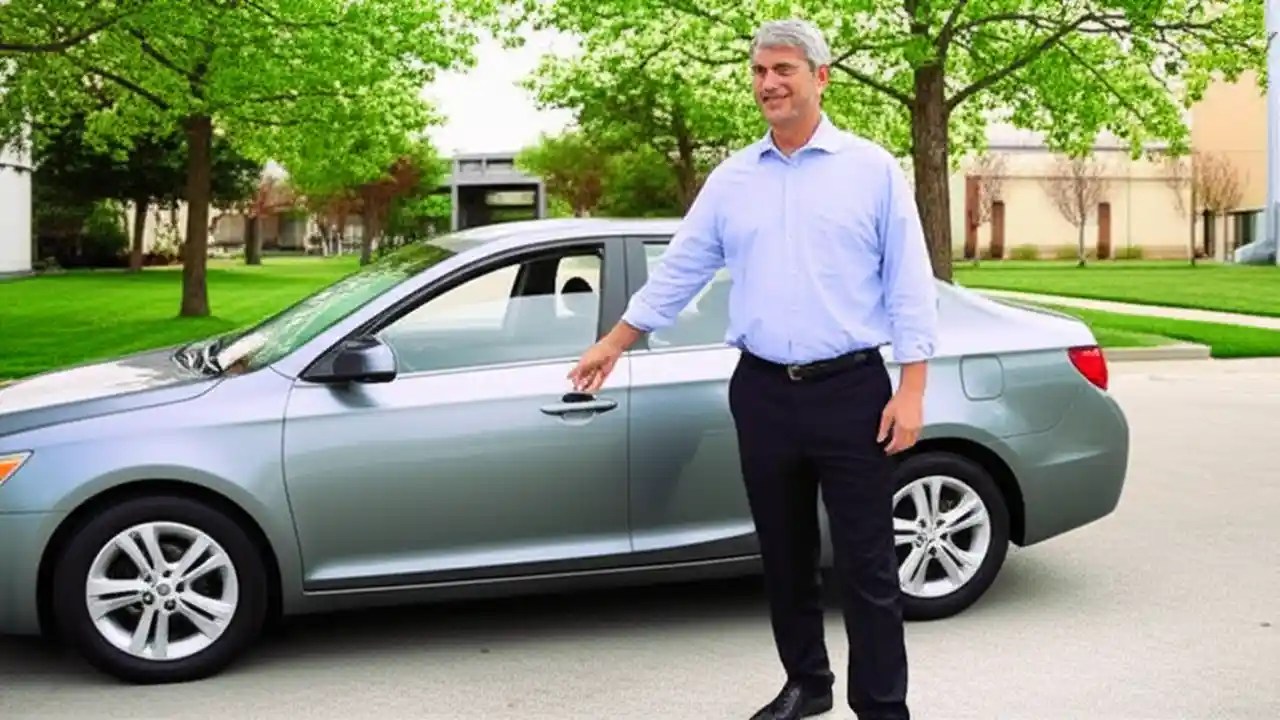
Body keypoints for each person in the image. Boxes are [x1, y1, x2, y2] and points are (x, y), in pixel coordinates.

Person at [567, 18, 937, 720]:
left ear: (820, 77)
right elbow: (681, 269)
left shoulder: (872, 171)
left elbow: (910, 284)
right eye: (760, 72)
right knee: (786, 554)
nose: (769, 83)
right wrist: (615, 340)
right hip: (763, 392)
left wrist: (912, 387)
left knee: (868, 564)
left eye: (784, 70)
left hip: (853, 391)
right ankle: (808, 684)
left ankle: (882, 705)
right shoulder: (733, 180)